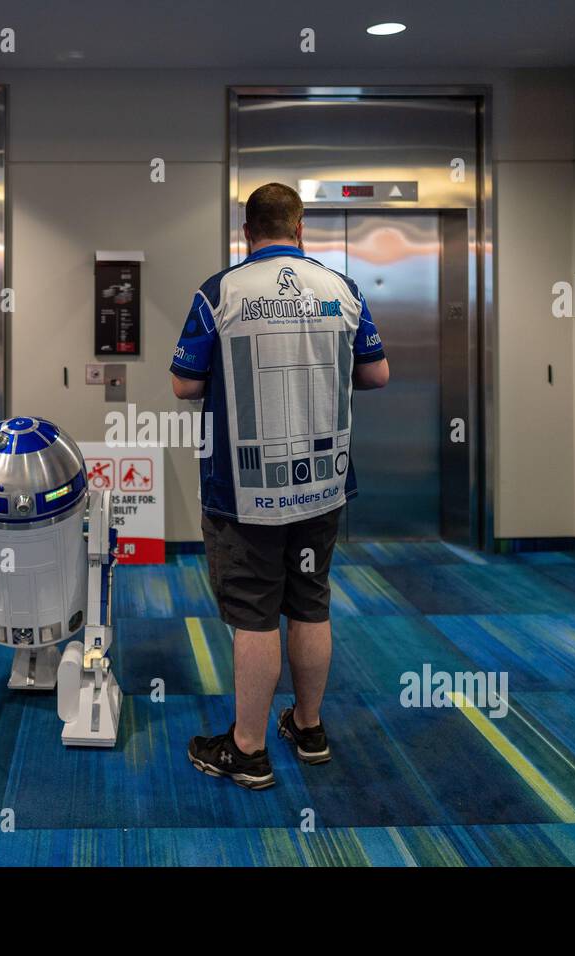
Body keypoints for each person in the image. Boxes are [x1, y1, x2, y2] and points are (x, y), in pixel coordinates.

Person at [170, 182, 390, 790]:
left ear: (247, 234)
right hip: (321, 483)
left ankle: (247, 750)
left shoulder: (222, 291)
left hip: (245, 492)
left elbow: (184, 385)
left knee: (254, 616)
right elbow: (378, 372)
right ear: (300, 230)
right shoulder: (341, 289)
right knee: (310, 602)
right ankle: (309, 726)